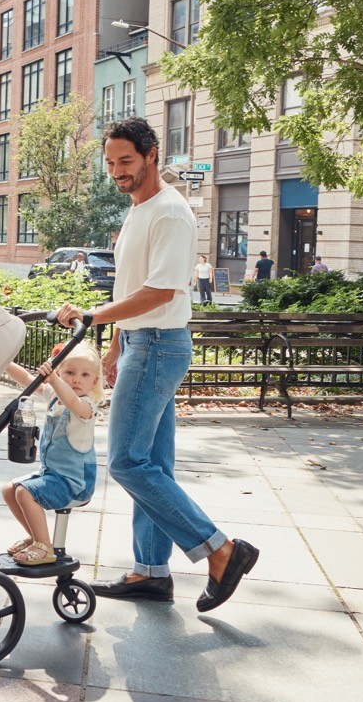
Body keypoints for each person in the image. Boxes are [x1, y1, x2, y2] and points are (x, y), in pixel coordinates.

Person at [54, 117, 258, 612]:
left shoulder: (169, 212)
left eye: (126, 160)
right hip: (142, 343)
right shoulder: (139, 210)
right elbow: (133, 286)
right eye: (110, 163)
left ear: (152, 156)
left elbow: (163, 289)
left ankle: (221, 550)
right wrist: (115, 341)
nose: (117, 171)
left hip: (159, 345)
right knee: (153, 464)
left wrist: (94, 316)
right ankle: (150, 570)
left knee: (127, 462)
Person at [2, 345, 101, 566]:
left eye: (84, 375)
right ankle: (37, 538)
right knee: (10, 489)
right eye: (70, 373)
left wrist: (55, 379)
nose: (76, 380)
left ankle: (44, 548)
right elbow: (28, 379)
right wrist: (3, 363)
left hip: (75, 483)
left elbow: (74, 404)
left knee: (24, 493)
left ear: (94, 381)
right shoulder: (55, 397)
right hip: (52, 475)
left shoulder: (88, 407)